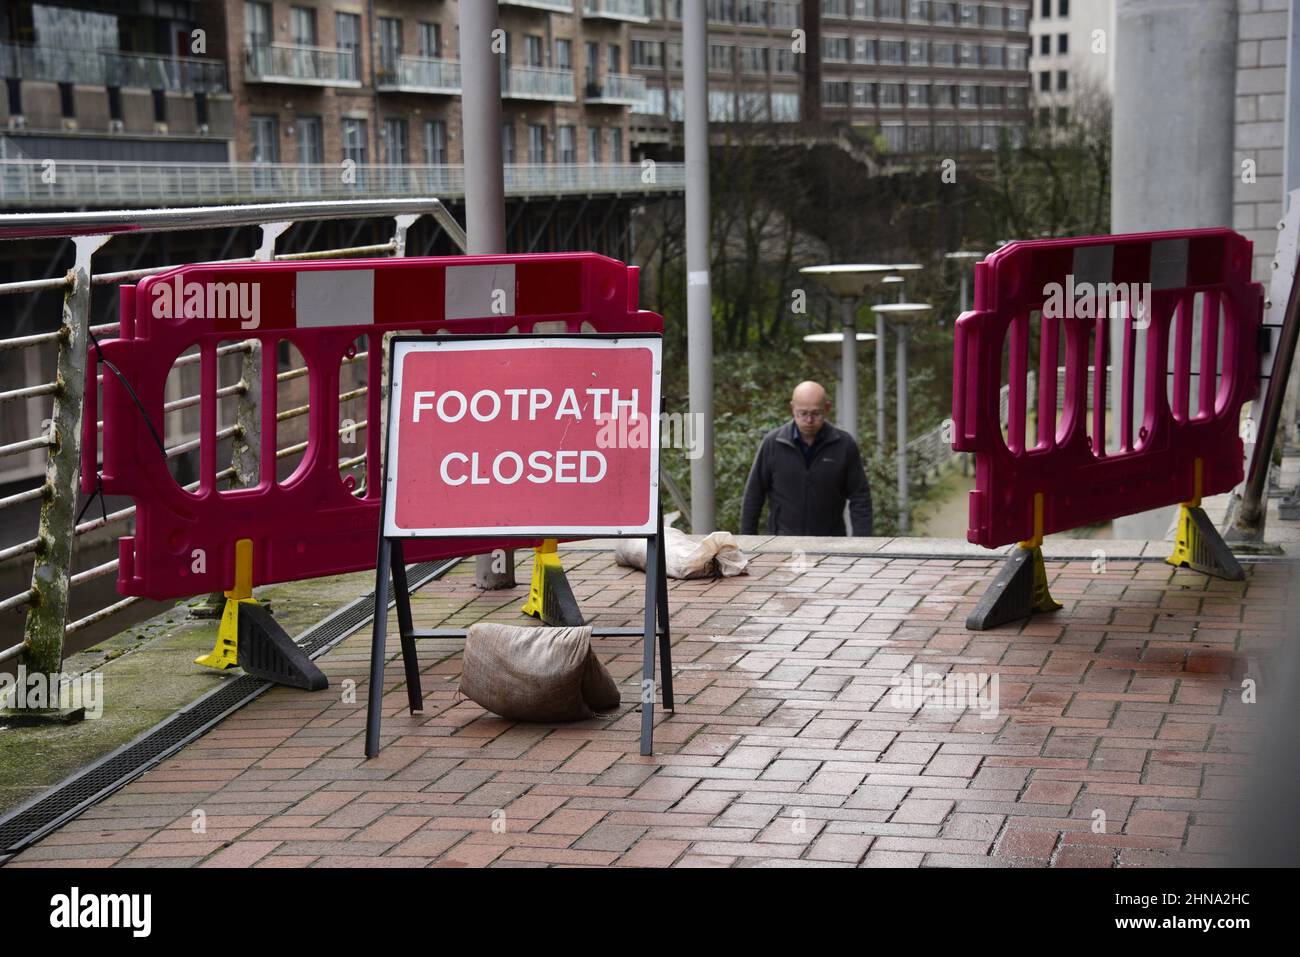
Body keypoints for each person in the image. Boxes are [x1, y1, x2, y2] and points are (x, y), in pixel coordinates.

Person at [740, 380, 873, 536]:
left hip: (831, 542)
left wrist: (861, 542)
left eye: (816, 414)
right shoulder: (772, 444)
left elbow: (860, 497)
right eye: (802, 413)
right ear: (792, 409)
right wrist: (747, 541)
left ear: (827, 408)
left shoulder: (844, 445)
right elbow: (753, 496)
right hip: (781, 543)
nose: (809, 420)